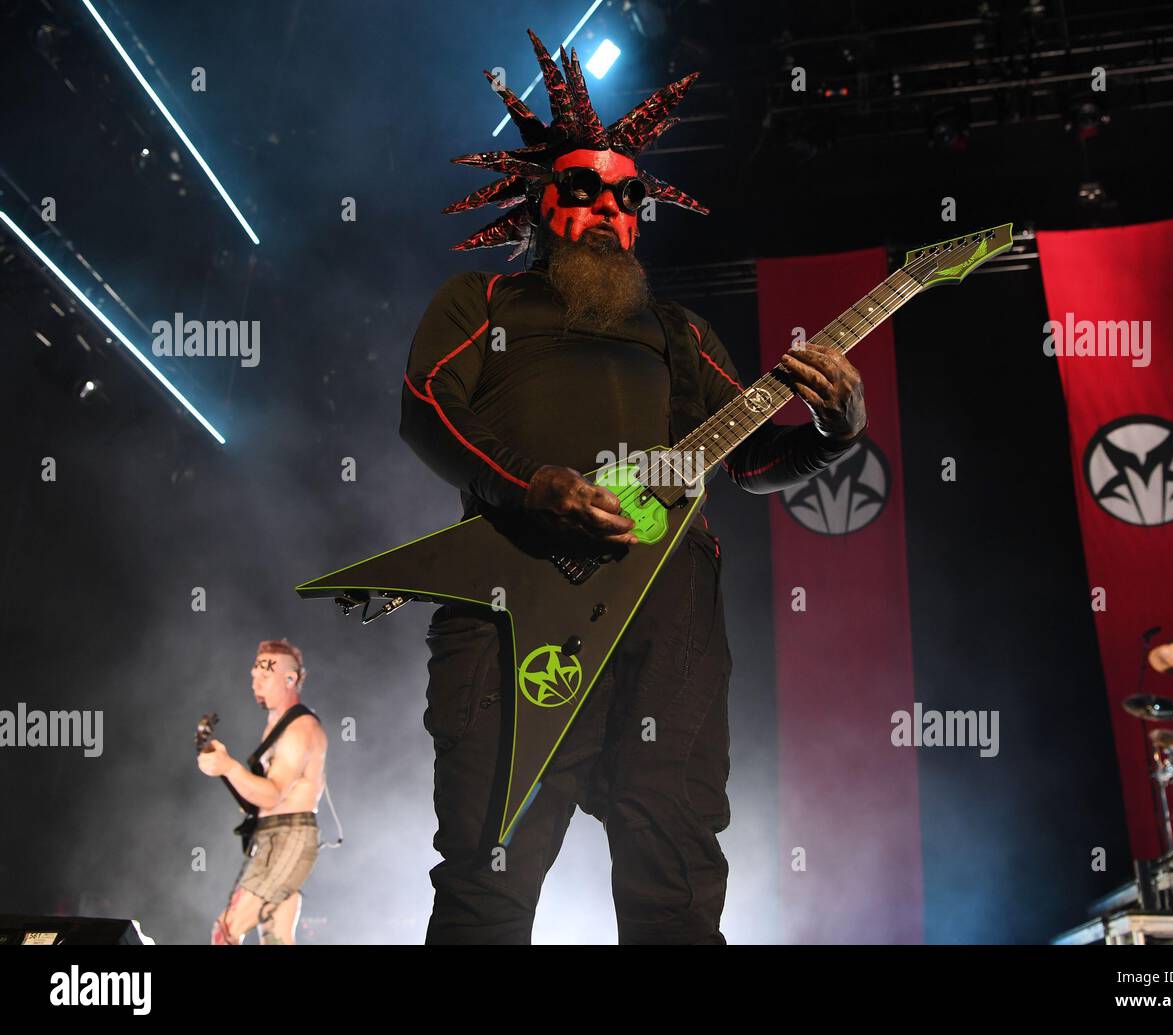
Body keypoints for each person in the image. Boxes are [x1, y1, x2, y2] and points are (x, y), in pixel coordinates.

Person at [399, 30, 867, 944]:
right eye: (584, 190)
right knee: (485, 890)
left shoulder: (679, 333)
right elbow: (426, 409)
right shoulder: (481, 305)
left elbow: (755, 460)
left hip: (670, 623)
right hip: (514, 614)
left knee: (678, 886)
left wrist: (837, 429)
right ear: (540, 204)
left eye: (629, 197)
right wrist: (533, 489)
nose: (611, 209)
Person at [197, 638, 327, 944]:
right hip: (274, 836)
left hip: (289, 838)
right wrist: (224, 769)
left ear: (290, 678)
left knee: (225, 931)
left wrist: (229, 767)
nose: (256, 684)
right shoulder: (276, 725)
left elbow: (272, 795)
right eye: (254, 677)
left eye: (265, 677)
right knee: (276, 939)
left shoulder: (299, 728)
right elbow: (256, 805)